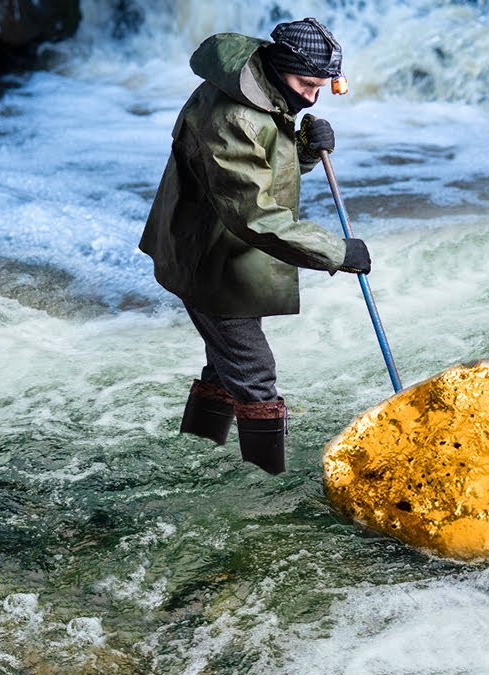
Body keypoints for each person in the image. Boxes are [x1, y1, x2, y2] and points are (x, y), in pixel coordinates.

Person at [139, 18, 372, 475]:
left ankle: (199, 457)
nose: (312, 97)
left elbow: (261, 176)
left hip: (222, 250)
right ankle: (266, 481)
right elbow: (253, 214)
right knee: (254, 372)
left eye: (321, 87)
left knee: (223, 365)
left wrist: (303, 147)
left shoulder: (261, 91)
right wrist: (337, 252)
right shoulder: (234, 115)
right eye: (306, 84)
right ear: (280, 66)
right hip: (210, 259)